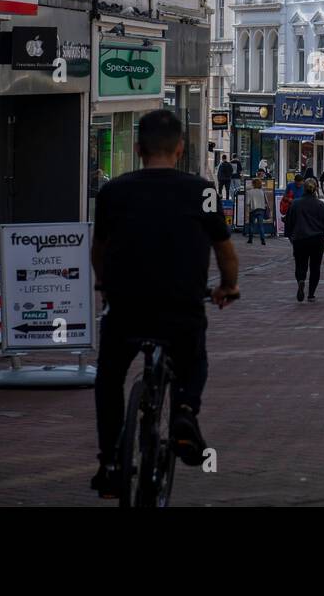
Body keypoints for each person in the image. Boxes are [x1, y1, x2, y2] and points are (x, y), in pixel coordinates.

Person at [90, 110, 239, 497]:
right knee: (194, 357)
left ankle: (109, 461)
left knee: (108, 378)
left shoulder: (113, 192)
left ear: (138, 149)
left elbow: (99, 251)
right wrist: (228, 287)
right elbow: (225, 250)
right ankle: (186, 413)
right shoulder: (203, 191)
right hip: (181, 305)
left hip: (126, 307)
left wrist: (104, 285)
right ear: (180, 149)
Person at [284, 179, 324, 302]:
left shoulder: (295, 204)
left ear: (304, 188)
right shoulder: (321, 205)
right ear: (316, 189)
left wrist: (290, 236)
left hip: (300, 238)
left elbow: (289, 221)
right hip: (317, 239)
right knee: (315, 266)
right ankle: (311, 294)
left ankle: (301, 280)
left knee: (300, 264)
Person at [246, 171, 273, 245]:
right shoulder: (262, 191)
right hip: (261, 210)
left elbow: (247, 203)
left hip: (253, 210)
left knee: (251, 225)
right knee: (261, 225)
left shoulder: (250, 192)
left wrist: (248, 211)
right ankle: (263, 240)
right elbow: (266, 201)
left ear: (253, 184)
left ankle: (250, 239)